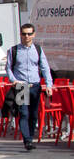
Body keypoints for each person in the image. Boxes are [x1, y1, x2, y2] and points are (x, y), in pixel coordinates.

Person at [6, 22, 54, 151]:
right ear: (20, 34)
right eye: (24, 34)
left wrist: (49, 85)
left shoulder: (38, 50)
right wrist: (14, 80)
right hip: (21, 86)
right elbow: (9, 68)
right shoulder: (14, 50)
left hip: (35, 86)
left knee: (33, 114)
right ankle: (27, 141)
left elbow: (45, 68)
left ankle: (30, 137)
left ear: (34, 35)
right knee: (24, 113)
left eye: (29, 34)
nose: (26, 36)